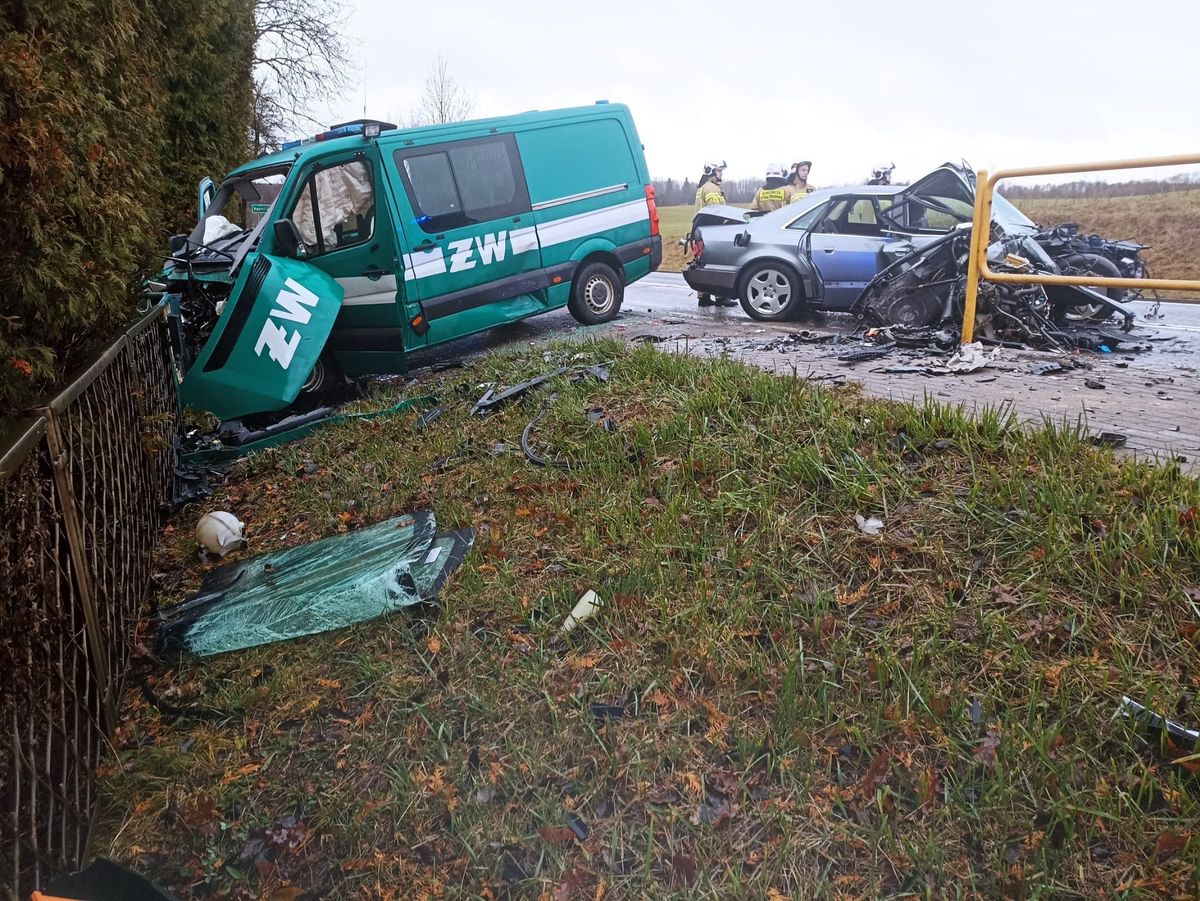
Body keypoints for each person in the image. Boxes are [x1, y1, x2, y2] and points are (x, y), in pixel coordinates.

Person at [692, 160, 736, 307]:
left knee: (702, 263)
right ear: (711, 172)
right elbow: (717, 210)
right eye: (719, 171)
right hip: (712, 232)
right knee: (718, 263)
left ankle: (703, 297)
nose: (721, 173)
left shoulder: (703, 187)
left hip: (701, 231)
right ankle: (721, 297)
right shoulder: (712, 188)